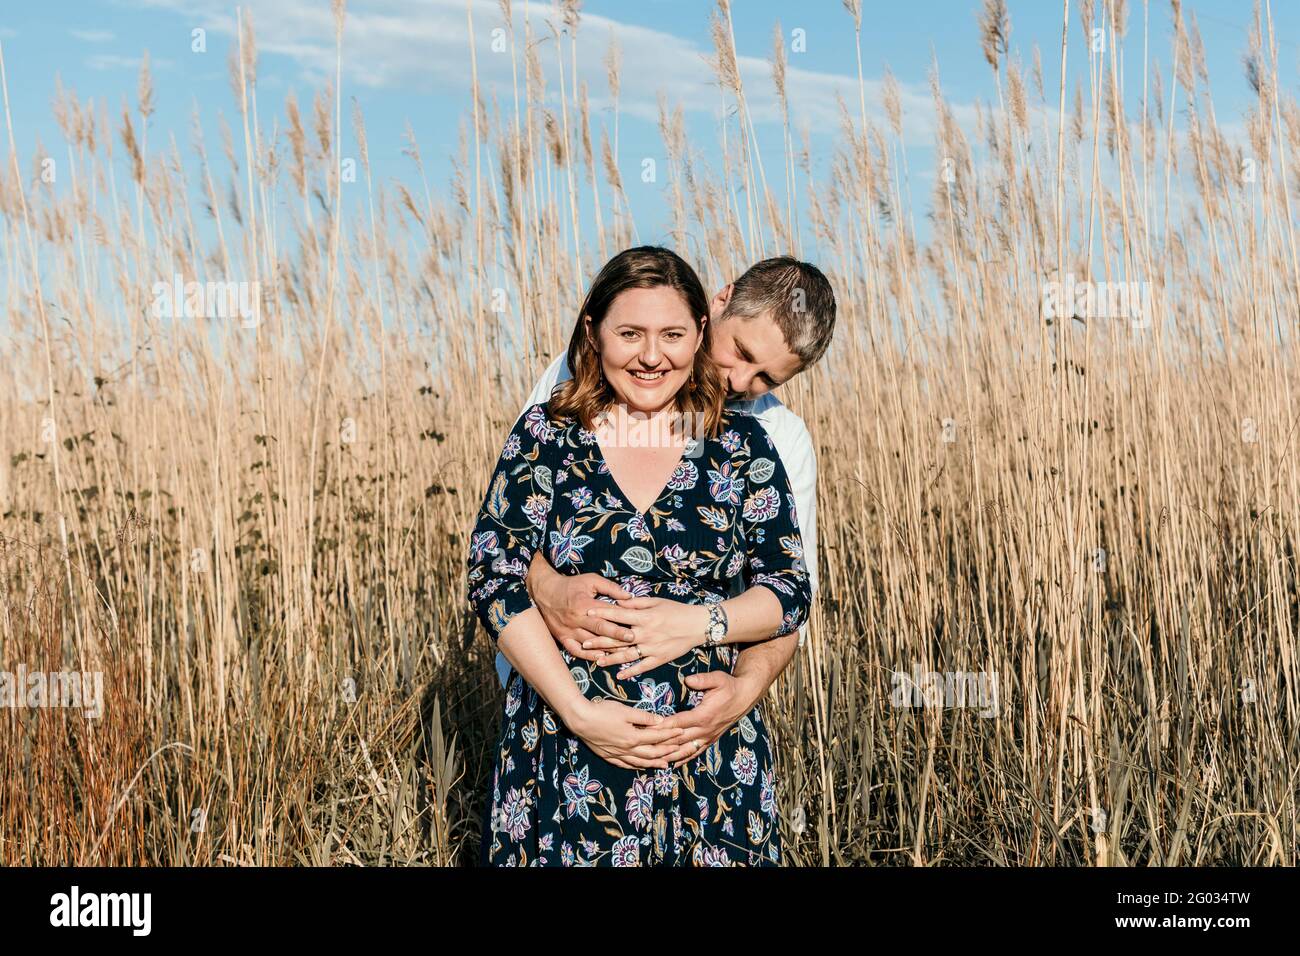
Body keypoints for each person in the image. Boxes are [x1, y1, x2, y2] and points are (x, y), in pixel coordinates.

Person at [466, 246, 813, 865]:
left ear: (698, 332)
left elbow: (788, 591)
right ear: (593, 331)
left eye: (673, 335)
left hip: (708, 768)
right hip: (564, 758)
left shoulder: (749, 444)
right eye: (630, 333)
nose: (652, 356)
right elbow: (495, 570)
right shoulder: (547, 433)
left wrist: (698, 626)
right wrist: (577, 712)